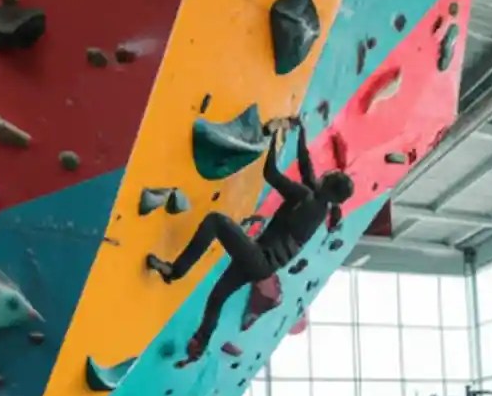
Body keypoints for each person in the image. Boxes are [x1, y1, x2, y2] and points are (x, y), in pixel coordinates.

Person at [146, 116, 355, 357]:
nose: (322, 175)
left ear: (327, 185)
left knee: (216, 221)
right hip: (263, 264)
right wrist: (301, 133)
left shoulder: (306, 198)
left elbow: (271, 174)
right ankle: (199, 345)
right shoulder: (319, 206)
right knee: (218, 296)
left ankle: (176, 271)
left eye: (327, 176)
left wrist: (273, 137)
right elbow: (307, 169)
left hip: (260, 257)